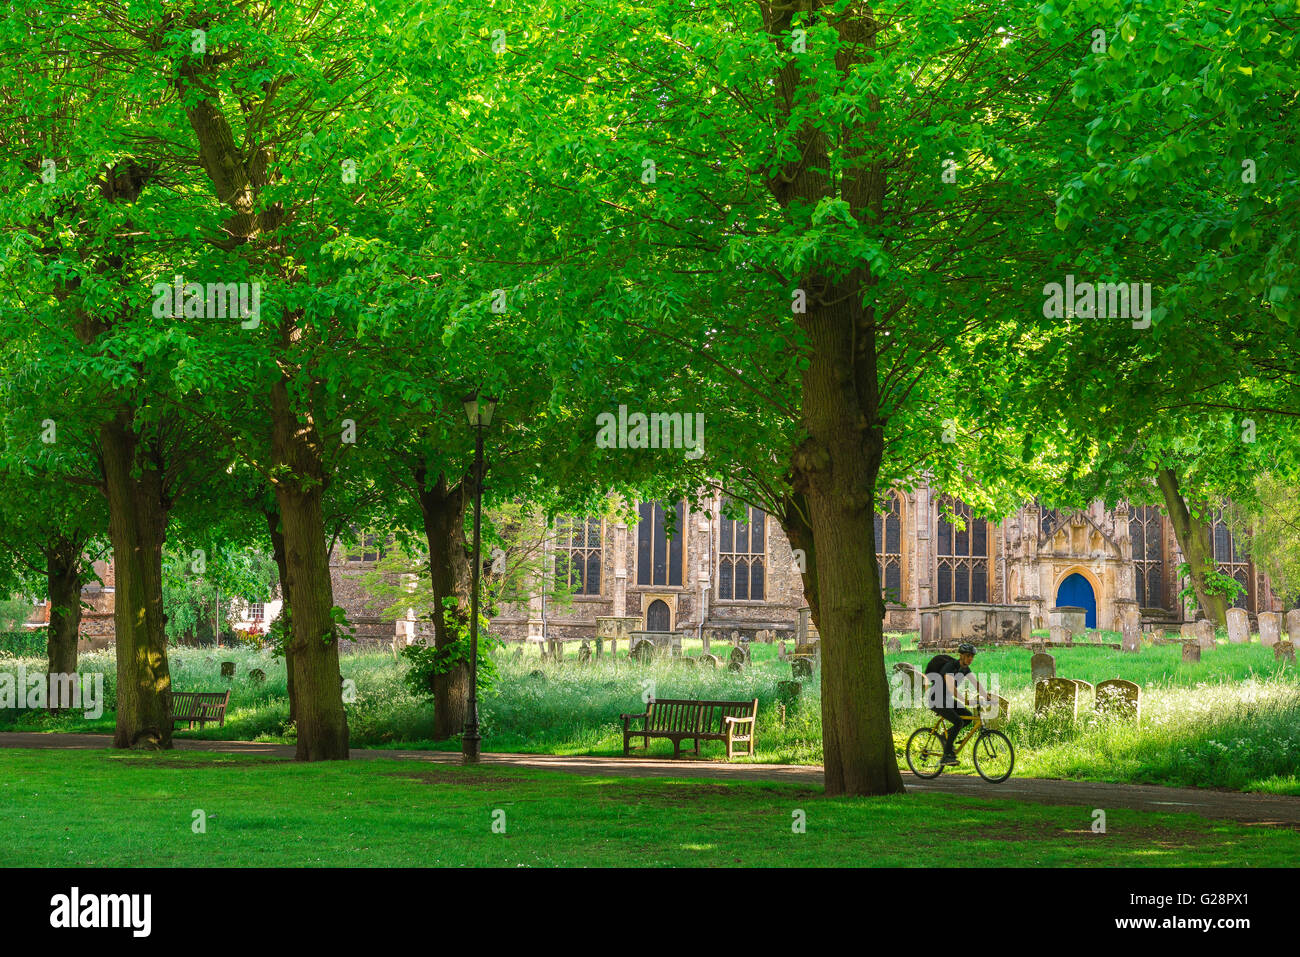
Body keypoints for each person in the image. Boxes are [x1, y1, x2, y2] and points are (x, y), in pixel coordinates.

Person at [924, 642, 988, 765]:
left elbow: (975, 683)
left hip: (947, 699)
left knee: (968, 718)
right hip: (936, 699)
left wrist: (986, 696)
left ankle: (944, 737)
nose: (970, 659)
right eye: (968, 656)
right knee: (958, 721)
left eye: (972, 656)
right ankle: (946, 756)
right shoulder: (949, 667)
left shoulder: (965, 669)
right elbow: (951, 687)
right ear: (961, 655)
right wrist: (965, 701)